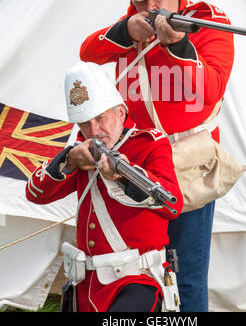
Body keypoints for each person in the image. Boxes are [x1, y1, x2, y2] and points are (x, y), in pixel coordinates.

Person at [79, 0, 235, 311]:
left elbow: (210, 89)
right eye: (139, 1)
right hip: (136, 162)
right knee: (139, 271)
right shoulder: (130, 25)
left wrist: (177, 47)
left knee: (188, 273)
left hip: (185, 165)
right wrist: (125, 31)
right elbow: (87, 52)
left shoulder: (208, 21)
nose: (150, 9)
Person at [25, 61, 183, 312]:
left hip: (137, 279)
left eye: (100, 118)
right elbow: (35, 194)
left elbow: (172, 204)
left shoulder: (149, 143)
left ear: (120, 112)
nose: (94, 130)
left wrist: (122, 176)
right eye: (85, 124)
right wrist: (67, 161)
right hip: (87, 284)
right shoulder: (80, 151)